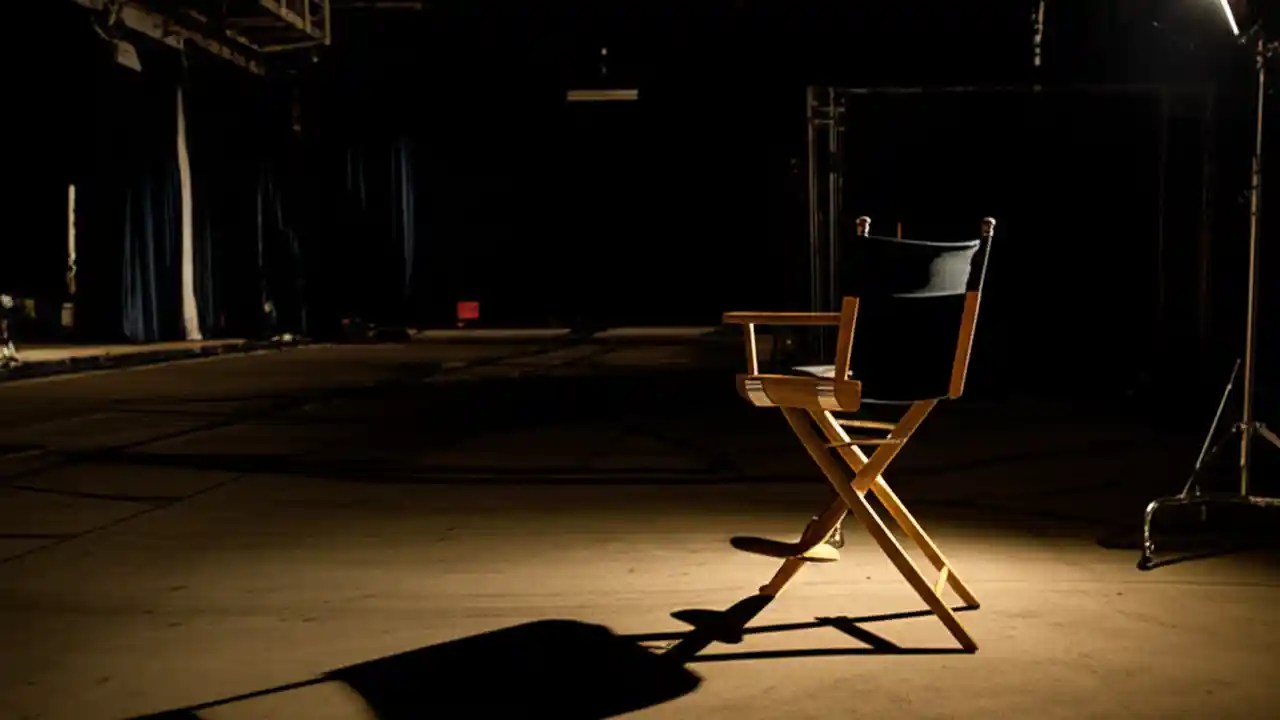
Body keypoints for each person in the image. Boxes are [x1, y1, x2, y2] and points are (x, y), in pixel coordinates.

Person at [0, 293, 20, 368]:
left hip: (5, 319)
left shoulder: (4, 298)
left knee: (5, 338)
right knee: (4, 339)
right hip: (5, 319)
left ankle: (7, 356)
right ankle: (6, 356)